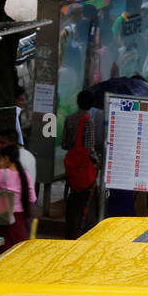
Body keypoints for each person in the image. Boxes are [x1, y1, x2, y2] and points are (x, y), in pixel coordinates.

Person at [0, 143, 35, 247]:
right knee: (16, 250)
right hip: (19, 220)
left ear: (6, 158)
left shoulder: (1, 173)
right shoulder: (25, 175)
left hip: (2, 218)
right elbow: (32, 198)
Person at [62, 90, 100, 238]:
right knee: (85, 201)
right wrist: (97, 162)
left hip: (72, 167)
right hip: (84, 169)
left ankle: (71, 230)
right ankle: (83, 231)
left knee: (74, 198)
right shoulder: (88, 120)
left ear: (77, 102)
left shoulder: (69, 118)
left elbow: (65, 144)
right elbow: (89, 148)